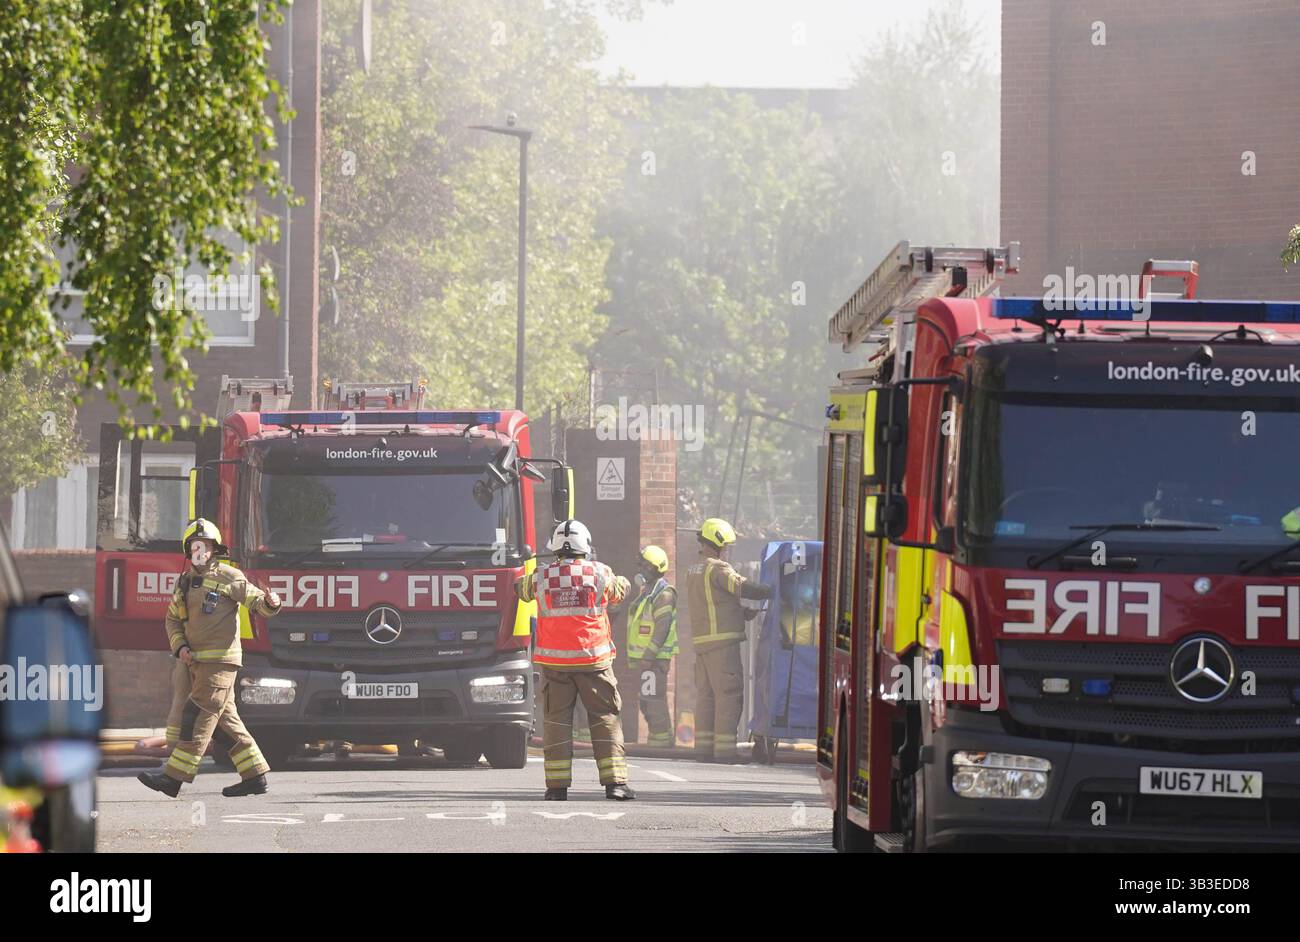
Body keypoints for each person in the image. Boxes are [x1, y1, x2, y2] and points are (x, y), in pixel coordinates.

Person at [138, 518, 283, 798]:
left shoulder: (229, 577)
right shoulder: (183, 583)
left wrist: (270, 603)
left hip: (220, 664)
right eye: (195, 545)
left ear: (215, 549)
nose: (200, 550)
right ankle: (255, 776)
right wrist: (180, 647)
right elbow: (172, 621)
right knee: (225, 724)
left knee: (196, 716)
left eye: (205, 545)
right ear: (188, 550)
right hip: (196, 665)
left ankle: (173, 778)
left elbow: (255, 601)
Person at [516, 519, 635, 801]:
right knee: (605, 718)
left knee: (556, 723)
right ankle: (615, 785)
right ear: (586, 546)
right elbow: (619, 592)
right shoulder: (600, 572)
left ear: (556, 548)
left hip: (555, 666)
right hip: (594, 661)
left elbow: (518, 589)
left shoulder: (542, 577)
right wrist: (627, 582)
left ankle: (556, 788)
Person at [685, 518, 771, 763]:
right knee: (729, 696)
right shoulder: (718, 568)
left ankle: (703, 750)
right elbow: (743, 588)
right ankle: (725, 752)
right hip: (723, 645)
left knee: (706, 697)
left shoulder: (693, 570)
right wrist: (772, 590)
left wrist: (741, 613)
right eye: (728, 545)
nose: (729, 551)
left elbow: (713, 604)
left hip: (702, 645)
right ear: (718, 542)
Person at [626, 545, 678, 748]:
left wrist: (648, 656)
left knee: (653, 701)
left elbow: (662, 629)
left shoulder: (663, 594)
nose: (640, 568)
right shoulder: (648, 592)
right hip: (648, 660)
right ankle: (658, 740)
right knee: (647, 700)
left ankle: (661, 742)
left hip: (655, 660)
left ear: (653, 568)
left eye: (643, 564)